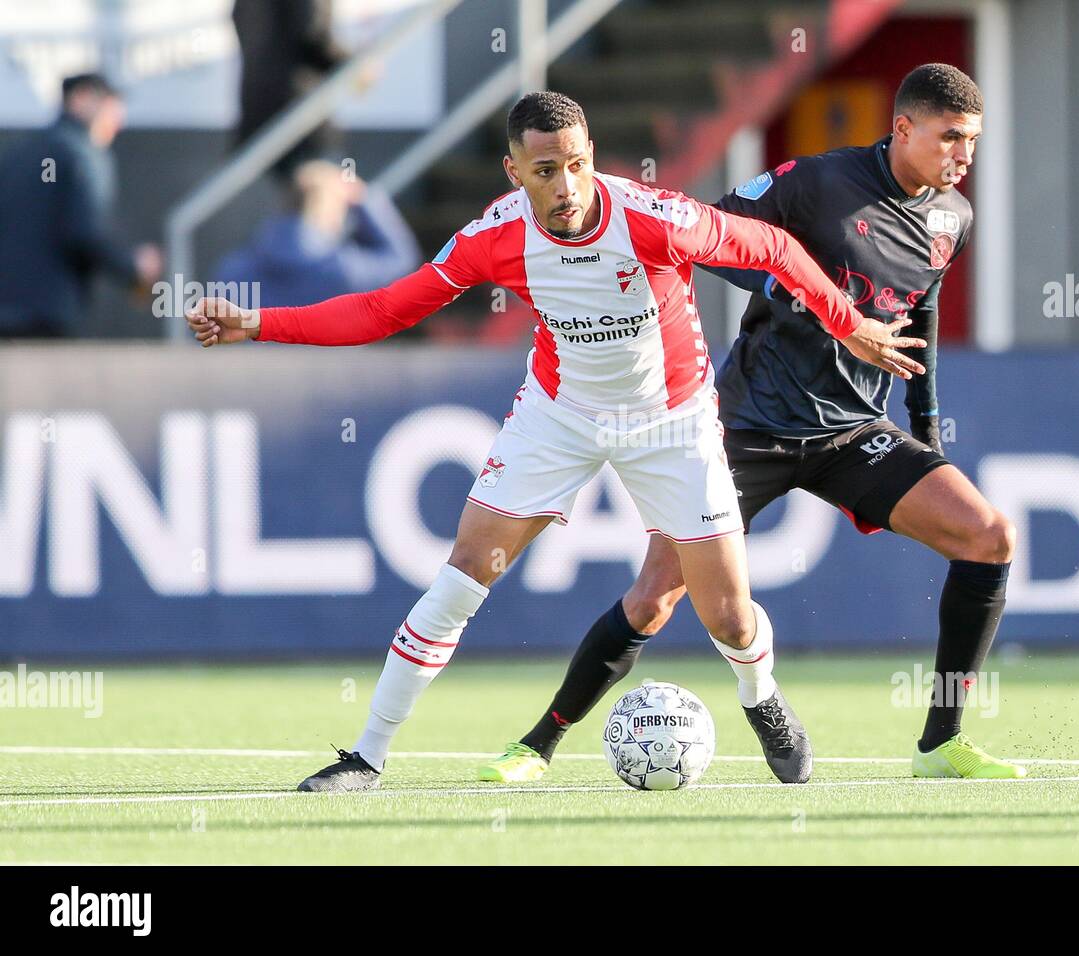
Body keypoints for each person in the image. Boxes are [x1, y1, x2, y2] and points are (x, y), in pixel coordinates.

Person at [184, 91, 927, 792]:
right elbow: (386, 309)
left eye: (576, 163)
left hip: (671, 420)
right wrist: (261, 323)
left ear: (590, 152)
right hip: (560, 414)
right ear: (515, 173)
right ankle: (367, 755)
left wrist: (847, 322)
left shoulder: (653, 217)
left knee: (727, 615)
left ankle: (760, 698)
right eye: (545, 171)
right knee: (464, 573)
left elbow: (768, 244)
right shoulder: (495, 236)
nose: (567, 184)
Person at [479, 63, 1027, 785]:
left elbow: (918, 318)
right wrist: (805, 289)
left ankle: (941, 742)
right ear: (902, 129)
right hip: (748, 430)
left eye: (973, 141)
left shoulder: (954, 218)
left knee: (989, 536)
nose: (964, 155)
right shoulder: (817, 182)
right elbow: (710, 244)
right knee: (653, 599)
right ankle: (536, 746)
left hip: (853, 433)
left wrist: (925, 435)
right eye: (951, 136)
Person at [0, 73, 161, 338]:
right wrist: (133, 267)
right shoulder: (80, 153)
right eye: (112, 108)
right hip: (47, 311)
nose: (116, 122)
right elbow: (84, 231)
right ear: (82, 98)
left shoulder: (20, 152)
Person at [214, 160, 420, 307]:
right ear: (331, 213)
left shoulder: (233, 270)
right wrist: (363, 198)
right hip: (328, 368)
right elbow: (402, 259)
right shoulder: (344, 271)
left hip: (247, 367)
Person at [232, 0, 349, 179]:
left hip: (258, 113)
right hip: (300, 116)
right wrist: (356, 65)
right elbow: (313, 36)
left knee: (301, 193)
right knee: (330, 187)